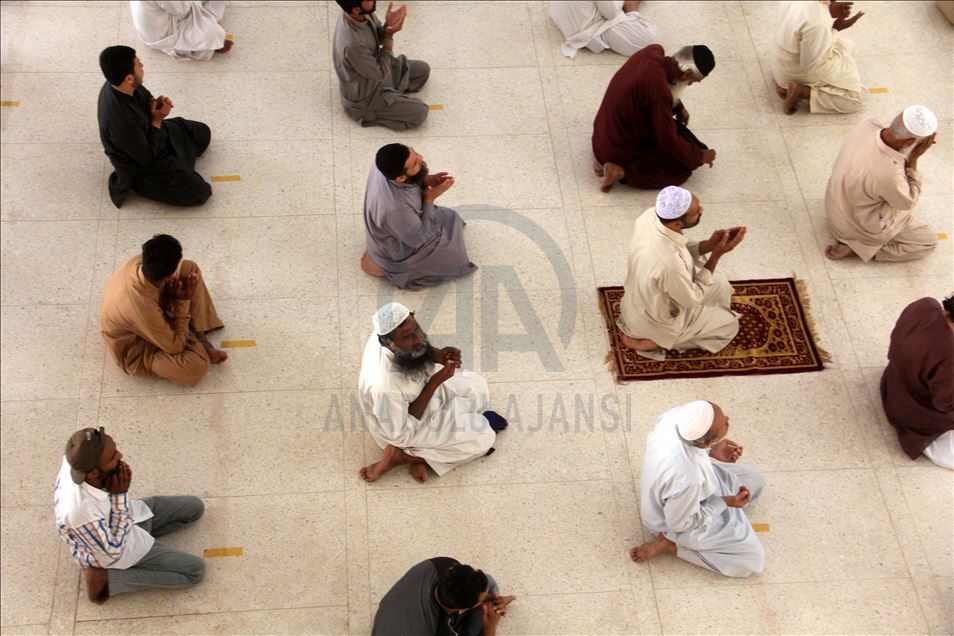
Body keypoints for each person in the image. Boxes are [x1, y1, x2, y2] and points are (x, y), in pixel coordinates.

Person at [54, 427, 206, 604]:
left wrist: (118, 499)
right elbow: (114, 551)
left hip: (125, 517)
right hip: (115, 548)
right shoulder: (80, 514)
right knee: (195, 572)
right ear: (94, 473)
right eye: (113, 457)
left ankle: (150, 544)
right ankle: (106, 580)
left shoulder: (75, 460)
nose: (120, 455)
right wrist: (119, 495)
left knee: (195, 508)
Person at [358, 303, 507, 483]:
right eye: (408, 337)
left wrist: (437, 355)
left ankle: (430, 448)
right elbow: (399, 432)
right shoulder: (385, 386)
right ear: (386, 343)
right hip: (405, 427)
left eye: (417, 328)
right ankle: (403, 457)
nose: (418, 338)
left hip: (422, 392)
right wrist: (436, 381)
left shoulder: (386, 335)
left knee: (479, 387)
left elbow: (419, 347)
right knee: (483, 438)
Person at [631, 400, 766, 578]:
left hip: (695, 485)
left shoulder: (674, 417)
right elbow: (679, 524)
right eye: (724, 423)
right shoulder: (689, 478)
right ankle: (670, 544)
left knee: (756, 480)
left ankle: (731, 523)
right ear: (706, 441)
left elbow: (687, 450)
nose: (727, 418)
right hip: (676, 519)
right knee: (752, 558)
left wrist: (710, 450)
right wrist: (725, 502)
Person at [617, 186, 744, 360]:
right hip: (657, 321)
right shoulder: (670, 262)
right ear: (677, 223)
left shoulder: (649, 216)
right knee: (730, 326)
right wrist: (716, 255)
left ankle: (703, 320)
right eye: (696, 212)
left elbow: (679, 247)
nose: (702, 210)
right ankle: (655, 342)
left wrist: (709, 244)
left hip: (639, 301)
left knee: (719, 284)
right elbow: (691, 300)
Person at [101, 234, 227, 388]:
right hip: (139, 347)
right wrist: (182, 302)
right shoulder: (142, 308)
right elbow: (174, 347)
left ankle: (198, 337)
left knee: (189, 269)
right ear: (169, 272)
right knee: (196, 366)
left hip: (148, 316)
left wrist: (170, 295)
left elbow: (154, 294)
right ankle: (196, 336)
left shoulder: (139, 262)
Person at [97, 45, 213, 208]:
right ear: (129, 78)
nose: (142, 66)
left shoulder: (119, 83)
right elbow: (146, 157)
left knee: (202, 133)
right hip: (144, 164)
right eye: (138, 64)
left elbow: (144, 97)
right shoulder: (122, 121)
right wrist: (157, 119)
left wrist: (155, 104)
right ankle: (141, 185)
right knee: (200, 192)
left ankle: (181, 166)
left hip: (155, 134)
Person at [592, 44, 716, 191]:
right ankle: (621, 172)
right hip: (616, 148)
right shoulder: (660, 93)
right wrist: (699, 156)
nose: (689, 84)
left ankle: (607, 160)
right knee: (682, 168)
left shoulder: (653, 51)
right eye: (692, 81)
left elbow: (649, 92)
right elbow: (667, 139)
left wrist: (678, 107)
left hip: (602, 133)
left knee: (686, 142)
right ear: (687, 74)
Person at [825, 105, 939, 261]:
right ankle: (861, 249)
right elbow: (907, 202)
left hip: (833, 210)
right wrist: (913, 159)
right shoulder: (890, 174)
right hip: (855, 230)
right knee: (927, 242)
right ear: (909, 142)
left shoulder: (867, 124)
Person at [361, 143, 477, 290]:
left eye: (415, 153)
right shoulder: (396, 210)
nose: (421, 158)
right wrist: (429, 199)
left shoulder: (383, 166)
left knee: (450, 216)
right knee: (456, 258)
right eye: (416, 163)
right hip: (400, 244)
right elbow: (420, 240)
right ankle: (383, 266)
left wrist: (425, 180)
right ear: (401, 177)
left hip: (400, 224)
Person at [880, 295, 954, 469]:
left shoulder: (924, 306)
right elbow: (947, 406)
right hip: (919, 417)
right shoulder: (949, 359)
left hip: (895, 388)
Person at [332, 0, 430, 130]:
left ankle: (393, 96)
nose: (374, 0)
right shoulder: (352, 44)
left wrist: (388, 26)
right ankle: (364, 110)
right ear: (356, 9)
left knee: (423, 69)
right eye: (368, 0)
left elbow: (378, 36)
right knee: (421, 112)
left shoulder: (361, 14)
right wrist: (389, 35)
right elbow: (380, 74)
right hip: (367, 95)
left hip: (374, 70)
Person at [372, 557, 516, 636]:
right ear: (461, 610)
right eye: (478, 603)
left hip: (390, 620)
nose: (488, 598)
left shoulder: (441, 564)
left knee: (489, 582)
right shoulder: (439, 631)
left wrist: (482, 600)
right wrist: (490, 627)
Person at [772, 0, 865, 115]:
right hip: (796, 72)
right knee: (853, 101)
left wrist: (828, 11)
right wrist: (835, 28)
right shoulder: (818, 23)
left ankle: (782, 82)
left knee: (841, 44)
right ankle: (803, 92)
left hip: (780, 61)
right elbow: (810, 65)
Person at [549, 1, 661, 59]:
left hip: (561, 16)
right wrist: (631, 8)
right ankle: (632, 9)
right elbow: (611, 13)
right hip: (589, 30)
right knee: (652, 42)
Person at [129, 1, 233, 61]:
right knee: (212, 35)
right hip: (166, 34)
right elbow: (181, 11)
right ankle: (208, 43)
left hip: (156, 24)